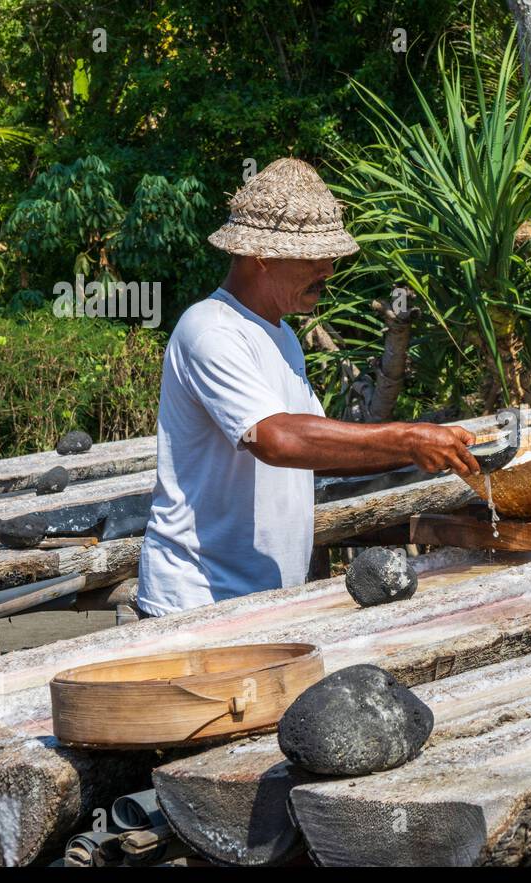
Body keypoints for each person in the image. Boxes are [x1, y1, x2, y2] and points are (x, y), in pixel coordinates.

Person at [136, 158, 479, 618]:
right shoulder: (210, 330)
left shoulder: (284, 338)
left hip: (262, 599)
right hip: (197, 600)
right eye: (314, 258)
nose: (329, 270)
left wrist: (420, 452)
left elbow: (312, 449)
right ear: (261, 256)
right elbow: (276, 439)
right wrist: (406, 438)